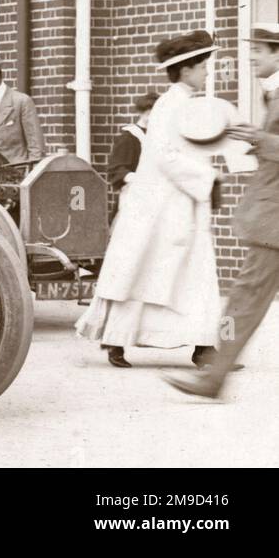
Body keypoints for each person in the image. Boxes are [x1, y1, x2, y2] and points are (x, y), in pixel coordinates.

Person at [76, 30, 224, 369]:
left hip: (179, 203)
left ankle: (204, 346)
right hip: (162, 208)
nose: (207, 73)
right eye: (203, 66)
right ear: (185, 71)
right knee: (147, 271)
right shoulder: (171, 105)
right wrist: (208, 177)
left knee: (187, 274)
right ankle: (116, 339)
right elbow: (166, 156)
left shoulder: (182, 103)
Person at [165, 23, 279, 398]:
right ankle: (215, 375)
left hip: (274, 218)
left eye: (259, 51)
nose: (251, 57)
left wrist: (259, 140)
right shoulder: (273, 93)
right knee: (245, 298)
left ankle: (214, 377)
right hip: (270, 214)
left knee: (244, 298)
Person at [106, 91, 159, 217]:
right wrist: (140, 179)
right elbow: (116, 169)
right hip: (134, 198)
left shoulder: (157, 136)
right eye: (150, 112)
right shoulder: (129, 137)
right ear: (143, 113)